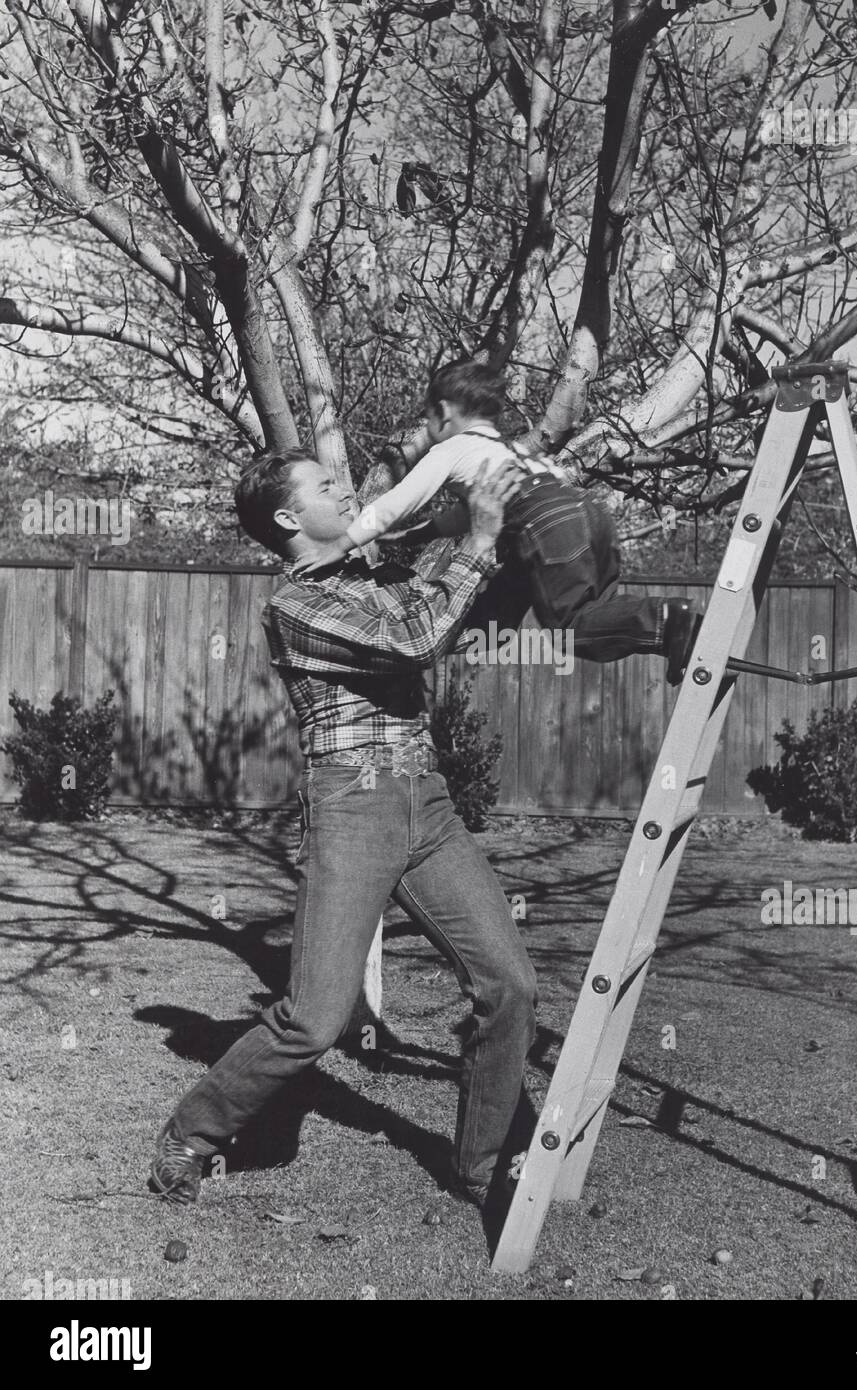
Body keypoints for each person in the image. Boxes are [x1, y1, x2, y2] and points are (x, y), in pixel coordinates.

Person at [149, 449, 537, 1222]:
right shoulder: (294, 606)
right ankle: (190, 1135)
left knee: (511, 986)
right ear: (289, 519)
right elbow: (416, 641)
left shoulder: (381, 577)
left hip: (425, 801)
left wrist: (497, 526)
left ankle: (482, 1162)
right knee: (314, 1020)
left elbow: (452, 614)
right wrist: (476, 538)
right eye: (325, 484)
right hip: (352, 803)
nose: (346, 485)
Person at [300, 360, 701, 685]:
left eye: (427, 419)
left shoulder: (454, 448)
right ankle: (678, 634)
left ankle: (668, 619)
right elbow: (466, 514)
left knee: (568, 629)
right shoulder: (506, 452)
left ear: (441, 412)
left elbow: (395, 503)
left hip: (546, 524)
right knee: (595, 618)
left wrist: (339, 545)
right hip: (589, 514)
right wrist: (420, 534)